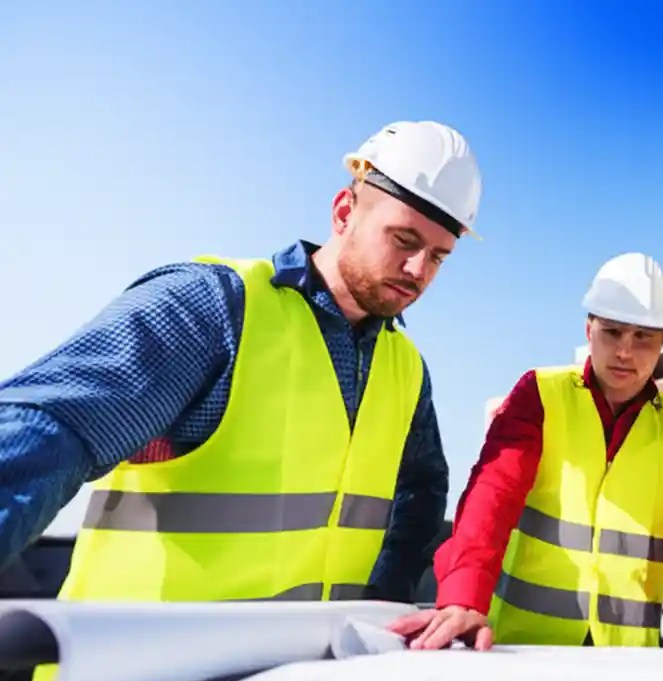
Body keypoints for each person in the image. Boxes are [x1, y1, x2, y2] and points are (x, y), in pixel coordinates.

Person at [0, 119, 476, 611]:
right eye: (403, 240)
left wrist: (385, 601)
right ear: (343, 212)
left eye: (439, 257)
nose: (419, 270)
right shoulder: (212, 309)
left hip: (302, 677)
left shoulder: (406, 369)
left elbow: (421, 491)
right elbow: (49, 429)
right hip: (138, 676)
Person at [390, 253, 663, 650]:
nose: (624, 352)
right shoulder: (540, 395)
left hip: (628, 655)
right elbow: (492, 493)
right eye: (613, 332)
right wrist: (464, 595)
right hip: (522, 648)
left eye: (643, 338)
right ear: (589, 329)